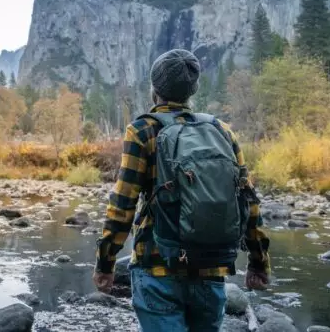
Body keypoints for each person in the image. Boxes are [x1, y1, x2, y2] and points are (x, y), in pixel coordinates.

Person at [93, 49, 270, 332]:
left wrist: (105, 263)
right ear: (193, 90)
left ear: (155, 90)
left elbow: (122, 204)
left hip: (156, 267)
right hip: (210, 268)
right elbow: (248, 201)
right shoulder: (222, 131)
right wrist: (259, 263)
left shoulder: (142, 130)